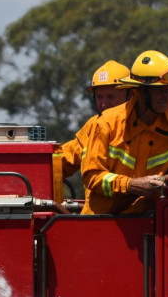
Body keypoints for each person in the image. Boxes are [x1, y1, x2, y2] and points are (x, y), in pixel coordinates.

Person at [80, 50, 168, 215]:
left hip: (145, 224)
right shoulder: (106, 124)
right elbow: (92, 176)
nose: (167, 97)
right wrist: (130, 185)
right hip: (99, 225)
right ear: (139, 91)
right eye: (160, 90)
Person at [52, 60, 133, 201]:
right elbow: (65, 158)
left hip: (132, 214)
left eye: (111, 97)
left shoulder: (140, 127)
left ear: (130, 96)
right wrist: (34, 165)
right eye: (99, 97)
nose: (103, 104)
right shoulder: (93, 126)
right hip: (96, 216)